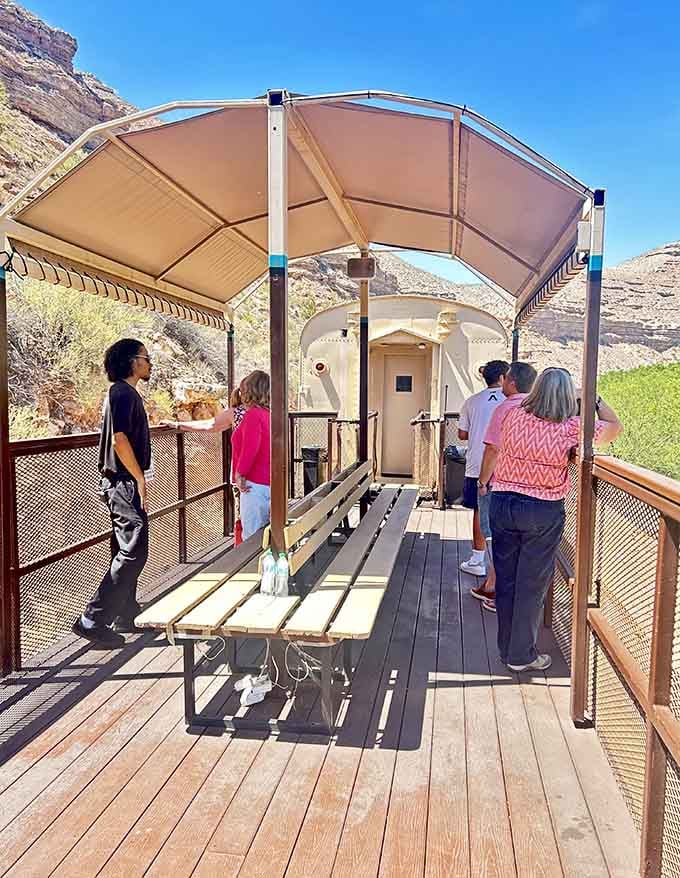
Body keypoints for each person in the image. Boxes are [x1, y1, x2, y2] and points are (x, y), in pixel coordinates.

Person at [486, 368, 622, 672]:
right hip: (541, 510)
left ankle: (506, 648)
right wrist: (594, 399)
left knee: (507, 580)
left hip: (503, 501)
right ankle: (521, 655)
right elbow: (614, 428)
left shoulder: (512, 415)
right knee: (531, 584)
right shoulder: (571, 427)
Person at [73, 339, 153, 648]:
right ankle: (92, 619)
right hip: (123, 482)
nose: (149, 364)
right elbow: (120, 439)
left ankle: (125, 613)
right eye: (146, 358)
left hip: (123, 482)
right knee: (133, 550)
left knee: (128, 547)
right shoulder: (122, 392)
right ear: (133, 362)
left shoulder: (125, 393)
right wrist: (139, 478)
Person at [473, 361, 538, 610]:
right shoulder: (536, 409)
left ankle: (497, 592)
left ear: (510, 381)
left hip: (502, 486)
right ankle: (494, 586)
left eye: (507, 378)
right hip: (535, 491)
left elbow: (493, 449)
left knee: (497, 538)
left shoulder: (506, 408)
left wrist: (482, 481)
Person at [164, 385, 247, 543]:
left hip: (242, 475)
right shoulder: (263, 412)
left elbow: (210, 425)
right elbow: (210, 425)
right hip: (262, 476)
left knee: (243, 517)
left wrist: (178, 425)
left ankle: (242, 549)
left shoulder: (236, 413)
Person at [458, 360, 509, 576]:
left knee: (480, 511)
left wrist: (479, 432)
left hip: (477, 464)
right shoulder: (514, 402)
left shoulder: (471, 402)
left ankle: (477, 560)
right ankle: (503, 565)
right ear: (503, 378)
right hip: (508, 467)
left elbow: (461, 434)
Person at [231, 370, 271, 539]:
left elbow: (250, 448)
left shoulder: (254, 415)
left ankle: (252, 566)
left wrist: (240, 474)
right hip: (269, 483)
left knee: (252, 537)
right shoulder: (269, 415)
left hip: (253, 485)